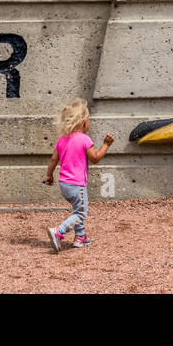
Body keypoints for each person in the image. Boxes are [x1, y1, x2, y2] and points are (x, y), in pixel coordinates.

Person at [43, 99, 112, 252]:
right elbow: (95, 158)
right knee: (81, 214)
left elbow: (54, 159)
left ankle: (80, 237)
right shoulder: (84, 139)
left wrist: (49, 175)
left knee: (77, 210)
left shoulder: (62, 140)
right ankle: (58, 231)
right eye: (88, 119)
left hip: (64, 185)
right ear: (83, 123)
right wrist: (106, 145)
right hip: (77, 185)